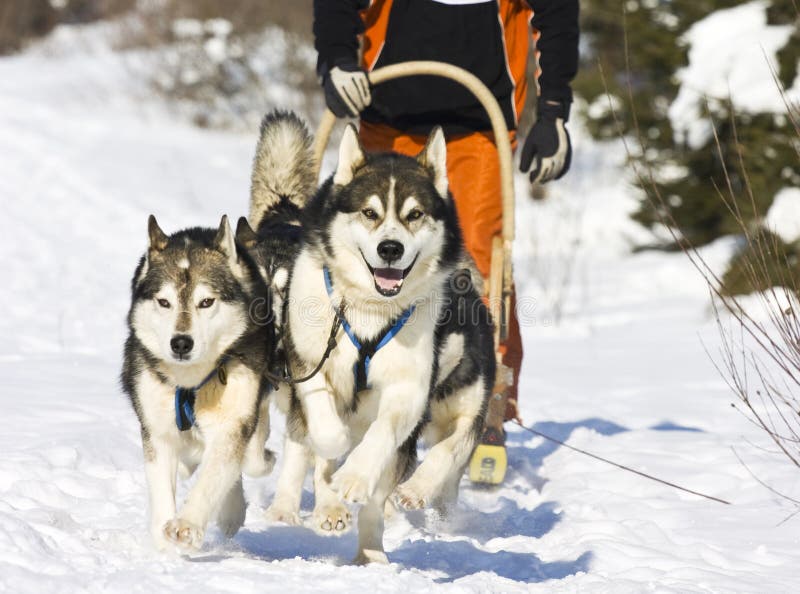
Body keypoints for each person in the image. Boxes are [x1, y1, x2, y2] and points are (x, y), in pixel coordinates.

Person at [313, 0, 579, 444]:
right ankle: (362, 390)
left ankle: (482, 405)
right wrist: (337, 62)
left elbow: (556, 16)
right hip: (388, 118)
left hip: (479, 124)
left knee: (480, 265)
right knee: (367, 264)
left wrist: (554, 111)